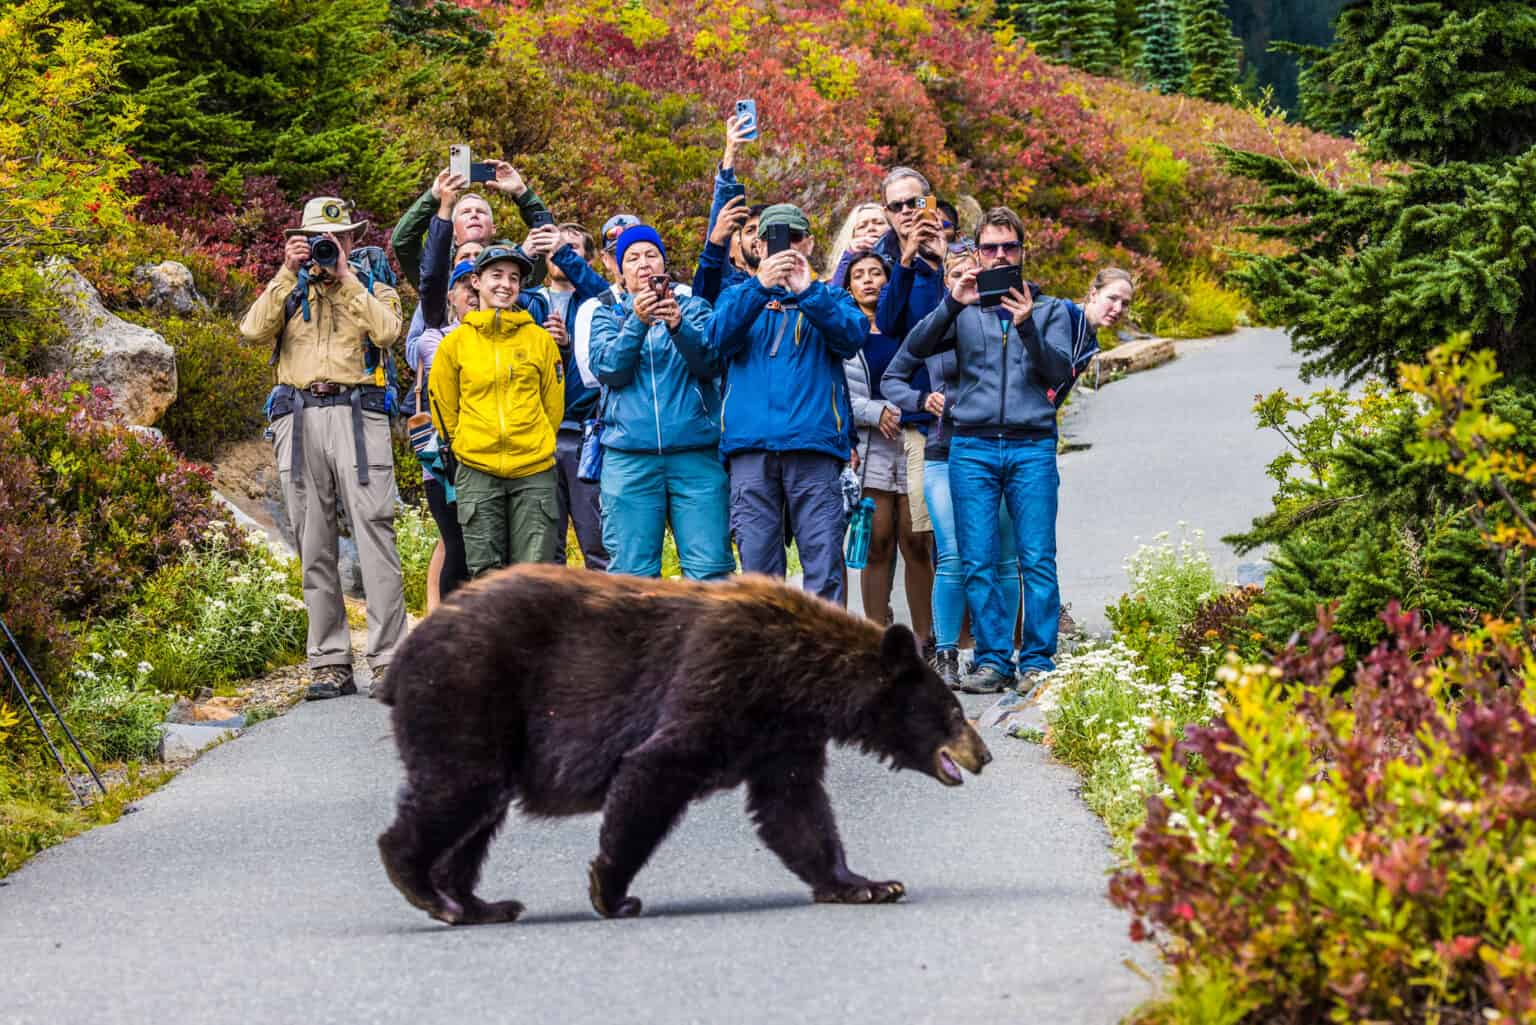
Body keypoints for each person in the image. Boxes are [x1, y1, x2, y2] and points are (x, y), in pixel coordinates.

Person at [239, 196, 406, 701]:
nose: (326, 247)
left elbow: (389, 332)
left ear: (353, 239)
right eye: (317, 238)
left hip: (359, 414)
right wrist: (287, 273)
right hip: (299, 416)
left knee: (375, 532)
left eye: (337, 238)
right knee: (313, 540)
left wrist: (346, 278)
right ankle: (330, 662)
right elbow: (250, 331)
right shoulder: (289, 287)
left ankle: (389, 660)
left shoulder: (373, 285)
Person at [904, 206, 1076, 696]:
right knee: (977, 558)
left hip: (1031, 445)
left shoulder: (1050, 310)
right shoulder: (964, 310)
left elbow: (1058, 374)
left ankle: (1038, 659)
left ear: (1023, 253)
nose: (1000, 255)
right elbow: (914, 350)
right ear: (977, 252)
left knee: (1036, 557)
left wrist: (1026, 326)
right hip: (972, 444)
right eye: (990, 248)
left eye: (1009, 247)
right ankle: (994, 659)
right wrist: (953, 304)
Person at [711, 203, 867, 603]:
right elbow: (717, 341)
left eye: (795, 237)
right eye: (775, 239)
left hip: (814, 450)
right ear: (758, 246)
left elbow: (851, 337)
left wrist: (808, 291)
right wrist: (759, 286)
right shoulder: (737, 296)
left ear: (810, 243)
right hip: (751, 451)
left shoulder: (831, 296)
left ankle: (826, 664)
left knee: (823, 569)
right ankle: (768, 665)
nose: (787, 247)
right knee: (760, 580)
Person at [882, 247, 1022, 688]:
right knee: (955, 553)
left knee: (1003, 556)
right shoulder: (937, 322)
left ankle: (999, 652)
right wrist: (923, 400)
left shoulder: (1004, 319)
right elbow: (893, 377)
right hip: (945, 448)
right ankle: (945, 653)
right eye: (957, 274)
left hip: (998, 446)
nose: (968, 279)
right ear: (946, 281)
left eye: (974, 273)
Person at [588, 225, 733, 580]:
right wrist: (638, 322)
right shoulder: (607, 314)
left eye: (651, 255)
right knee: (631, 577)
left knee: (710, 570)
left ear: (664, 264)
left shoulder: (695, 308)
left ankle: (709, 638)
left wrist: (678, 326)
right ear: (621, 272)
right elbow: (609, 369)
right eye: (632, 258)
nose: (643, 264)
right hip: (629, 458)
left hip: (696, 454)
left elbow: (712, 362)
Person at [428, 243, 564, 575]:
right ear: (477, 281)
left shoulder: (540, 340)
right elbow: (444, 408)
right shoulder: (455, 344)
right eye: (496, 275)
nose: (505, 284)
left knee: (532, 578)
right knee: (485, 578)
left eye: (514, 278)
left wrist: (534, 440)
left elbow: (553, 406)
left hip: (533, 471)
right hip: (477, 470)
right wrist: (466, 443)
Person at [840, 251, 935, 648]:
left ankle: (926, 638)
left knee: (916, 541)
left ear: (889, 279)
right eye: (858, 275)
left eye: (876, 273)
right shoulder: (845, 331)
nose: (868, 281)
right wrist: (872, 413)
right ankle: (875, 639)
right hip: (870, 443)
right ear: (847, 286)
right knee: (876, 541)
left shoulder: (907, 325)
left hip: (913, 437)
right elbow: (839, 392)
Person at [523, 222, 611, 570]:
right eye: (556, 246)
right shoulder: (529, 300)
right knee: (545, 548)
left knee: (598, 543)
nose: (562, 252)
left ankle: (607, 623)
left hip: (584, 434)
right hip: (537, 437)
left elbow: (595, 369)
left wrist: (568, 346)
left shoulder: (597, 302)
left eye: (572, 247)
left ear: (587, 259)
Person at [692, 114, 757, 304]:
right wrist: (730, 155)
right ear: (732, 248)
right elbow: (703, 291)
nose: (757, 239)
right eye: (750, 230)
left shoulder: (794, 287)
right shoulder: (727, 289)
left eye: (764, 232)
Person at [824, 201, 886, 283]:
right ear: (852, 235)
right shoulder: (840, 272)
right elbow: (835, 294)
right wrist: (849, 255)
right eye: (862, 226)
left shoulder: (903, 260)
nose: (871, 228)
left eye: (879, 223)